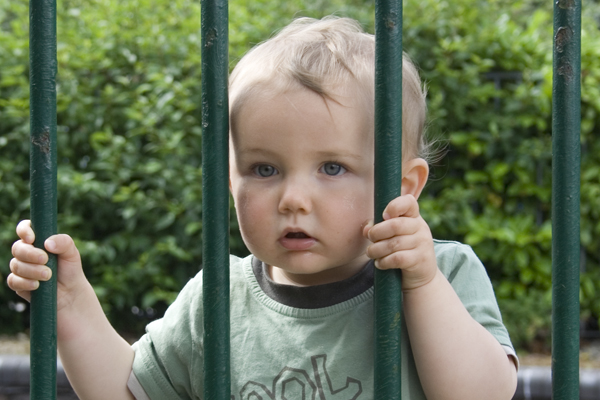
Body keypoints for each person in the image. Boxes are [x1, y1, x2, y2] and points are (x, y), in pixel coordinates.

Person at [7, 16, 518, 400]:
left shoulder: (442, 274)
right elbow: (124, 391)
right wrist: (70, 306)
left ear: (404, 185)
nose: (293, 199)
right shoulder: (216, 300)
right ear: (230, 180)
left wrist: (422, 286)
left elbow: (483, 393)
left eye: (332, 168)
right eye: (264, 170)